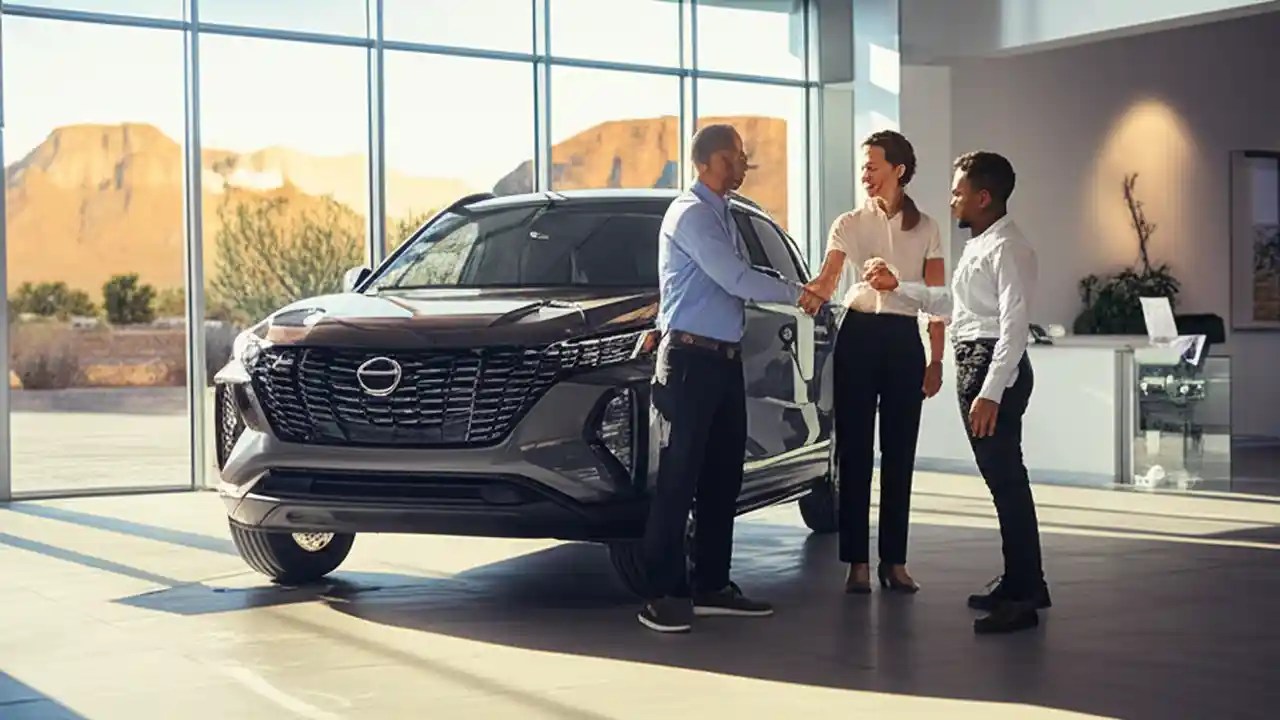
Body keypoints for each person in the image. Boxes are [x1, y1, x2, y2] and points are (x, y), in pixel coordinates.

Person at [639, 123, 824, 633]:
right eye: (737, 157)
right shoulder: (692, 214)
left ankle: (712, 585)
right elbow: (736, 280)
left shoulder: (722, 214)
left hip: (722, 361)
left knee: (723, 477)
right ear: (711, 161)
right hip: (690, 363)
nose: (744, 165)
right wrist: (802, 293)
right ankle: (663, 594)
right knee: (679, 478)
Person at [805, 130, 948, 595]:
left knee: (900, 452)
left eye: (872, 166)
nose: (864, 174)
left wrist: (937, 359)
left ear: (898, 170)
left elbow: (938, 298)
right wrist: (809, 292)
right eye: (863, 167)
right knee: (855, 454)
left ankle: (895, 562)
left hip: (906, 342)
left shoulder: (927, 228)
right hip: (858, 336)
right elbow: (829, 278)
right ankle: (856, 564)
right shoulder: (848, 223)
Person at [947, 150, 1050, 634]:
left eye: (959, 192)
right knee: (1004, 483)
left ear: (983, 197)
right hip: (977, 362)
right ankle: (1021, 583)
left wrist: (989, 392)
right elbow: (962, 308)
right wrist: (898, 290)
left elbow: (1013, 328)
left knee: (1007, 484)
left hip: (992, 368)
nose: (953, 200)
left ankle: (1025, 595)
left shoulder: (1010, 248)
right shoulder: (983, 244)